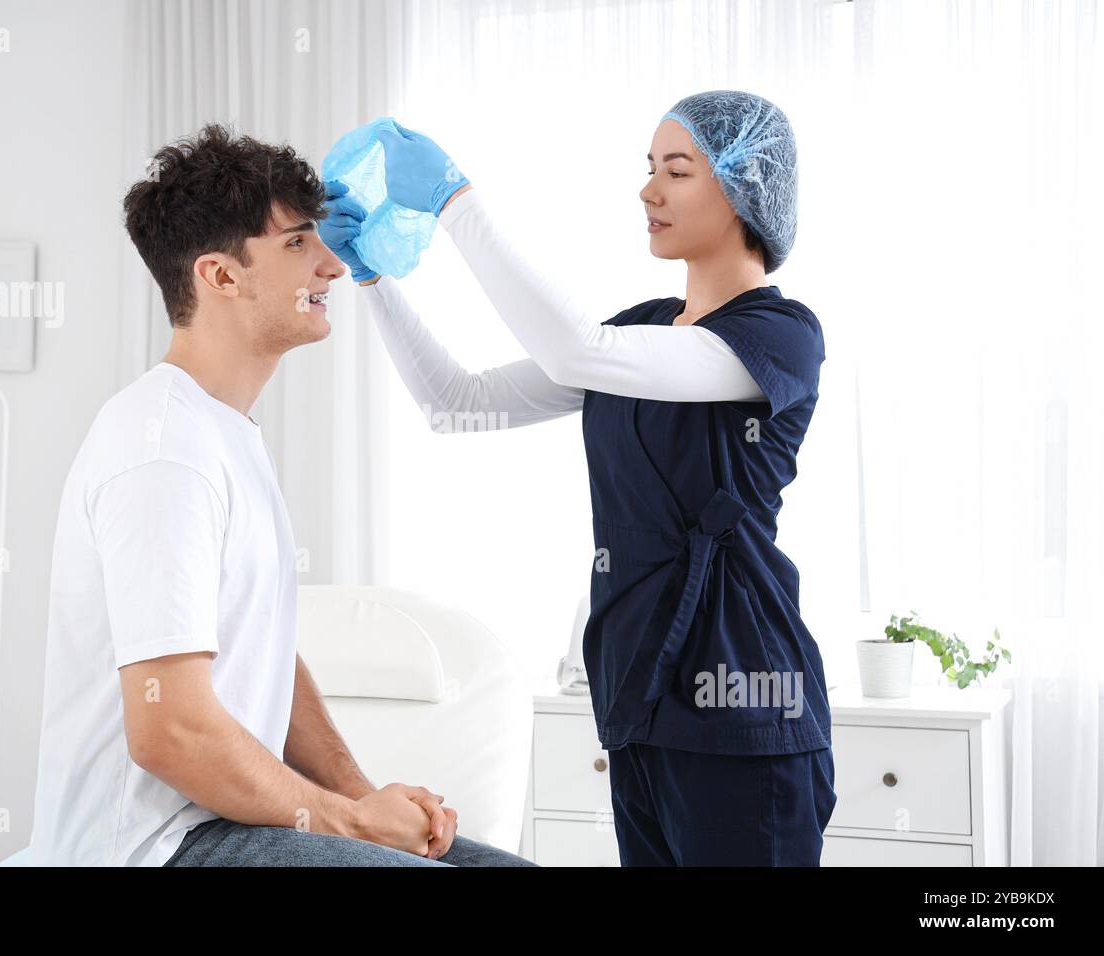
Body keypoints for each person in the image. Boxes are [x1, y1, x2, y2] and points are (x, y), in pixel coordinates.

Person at [320, 90, 837, 866]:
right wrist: (371, 280)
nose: (648, 191)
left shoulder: (779, 335)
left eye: (678, 170)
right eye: (649, 168)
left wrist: (457, 201)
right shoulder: (638, 332)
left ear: (745, 187)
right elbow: (458, 405)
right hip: (639, 698)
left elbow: (574, 351)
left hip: (745, 702)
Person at [30, 123, 535, 868]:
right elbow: (169, 732)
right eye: (299, 244)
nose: (332, 265)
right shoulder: (162, 449)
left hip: (225, 825)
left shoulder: (226, 432)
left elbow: (267, 654)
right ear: (220, 276)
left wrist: (362, 798)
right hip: (156, 848)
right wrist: (355, 829)